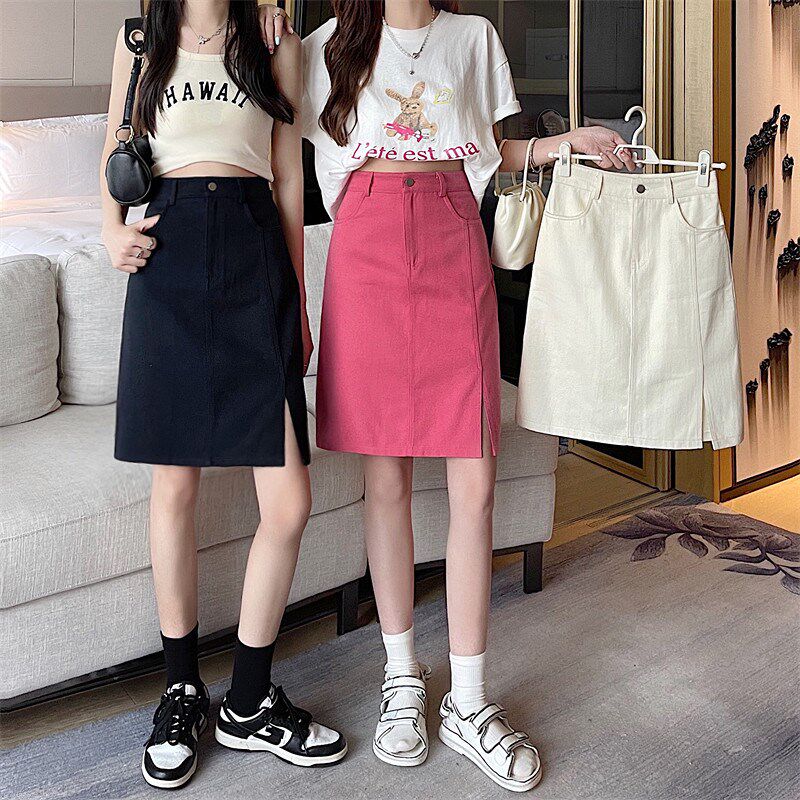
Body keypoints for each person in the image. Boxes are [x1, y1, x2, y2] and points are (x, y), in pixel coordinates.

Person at [301, 0, 632, 792]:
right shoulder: (326, 45)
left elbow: (484, 148)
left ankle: (471, 700)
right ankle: (402, 678)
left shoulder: (473, 37)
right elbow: (269, 133)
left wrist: (565, 143)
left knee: (475, 485)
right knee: (386, 481)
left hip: (453, 235)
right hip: (367, 243)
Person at [100, 0, 346, 789]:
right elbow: (115, 144)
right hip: (167, 256)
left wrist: (297, 298)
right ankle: (180, 691)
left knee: (290, 501)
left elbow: (288, 177)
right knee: (174, 489)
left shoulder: (275, 42)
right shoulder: (140, 40)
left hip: (253, 253)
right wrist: (110, 229)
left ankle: (246, 701)